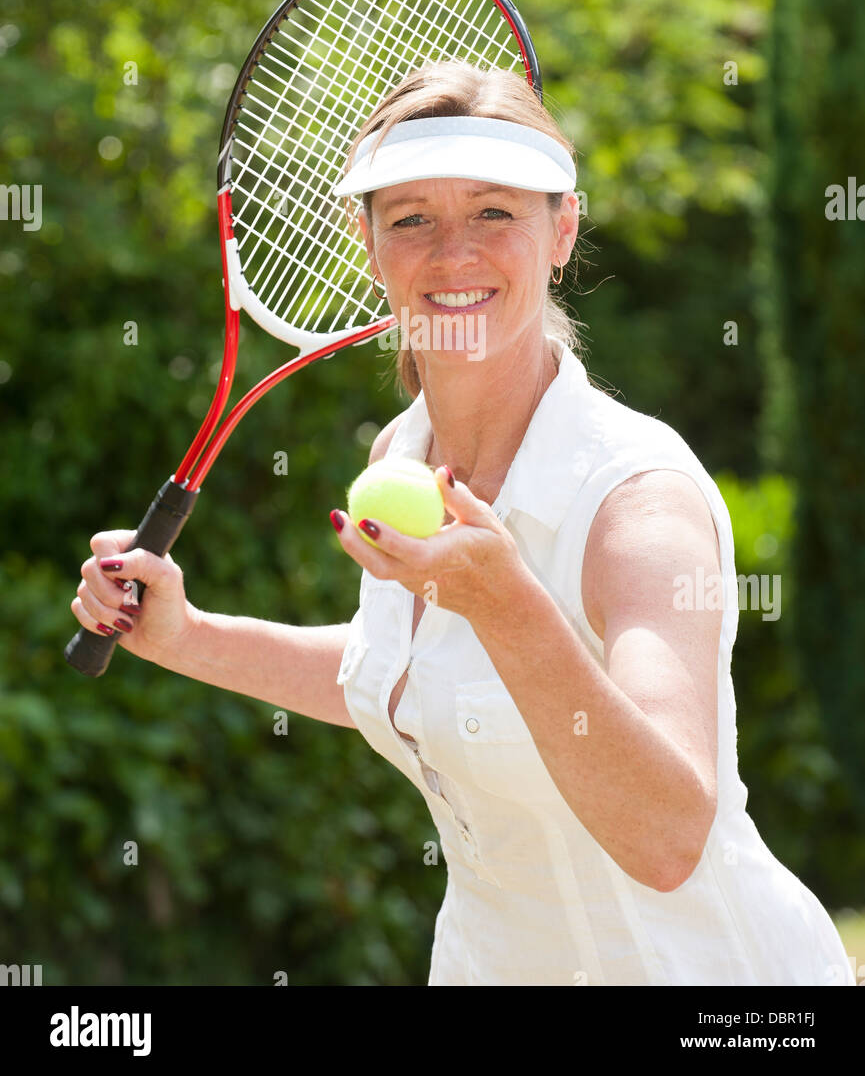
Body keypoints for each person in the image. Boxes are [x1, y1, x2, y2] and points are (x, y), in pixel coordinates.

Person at [72, 60, 854, 987]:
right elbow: (397, 675)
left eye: (495, 213)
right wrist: (189, 637)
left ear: (561, 230)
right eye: (411, 219)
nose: (453, 255)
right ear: (368, 245)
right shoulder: (397, 462)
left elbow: (668, 835)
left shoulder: (636, 502)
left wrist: (507, 606)